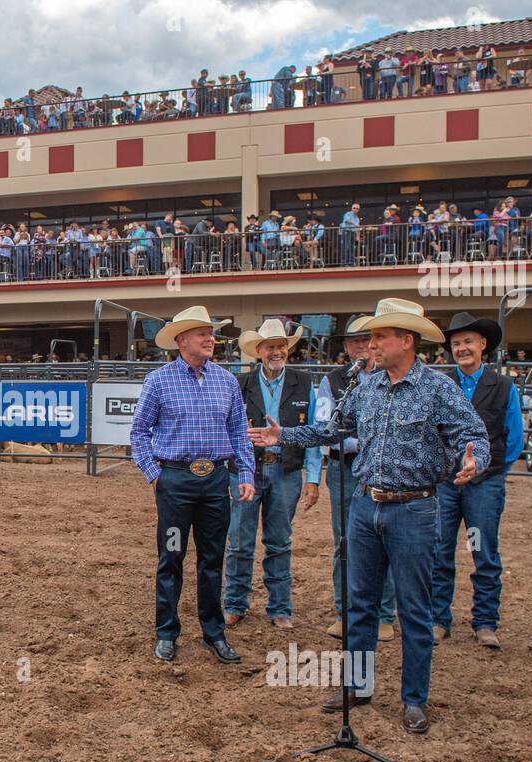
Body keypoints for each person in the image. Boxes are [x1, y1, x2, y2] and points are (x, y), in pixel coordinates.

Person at [249, 298, 488, 734]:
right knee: (359, 603)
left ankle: (413, 697)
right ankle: (357, 686)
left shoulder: (437, 389)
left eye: (379, 337)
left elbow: (472, 434)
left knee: (414, 608)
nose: (369, 345)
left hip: (414, 507)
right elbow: (331, 429)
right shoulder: (367, 387)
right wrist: (285, 434)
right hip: (366, 504)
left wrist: (474, 461)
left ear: (406, 341)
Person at [130, 306, 256, 665]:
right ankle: (167, 632)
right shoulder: (158, 381)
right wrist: (154, 473)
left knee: (213, 558)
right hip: (176, 482)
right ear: (181, 340)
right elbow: (139, 432)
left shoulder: (227, 381)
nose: (210, 338)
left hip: (215, 481)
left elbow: (238, 432)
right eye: (202, 333)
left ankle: (213, 632)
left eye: (211, 332)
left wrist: (245, 474)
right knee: (171, 556)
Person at [431, 312, 523, 649]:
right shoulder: (442, 384)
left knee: (481, 549)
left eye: (468, 341)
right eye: (456, 344)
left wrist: (490, 470)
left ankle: (485, 621)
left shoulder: (503, 386)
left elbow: (513, 439)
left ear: (483, 345)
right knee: (439, 550)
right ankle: (438, 618)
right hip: (446, 482)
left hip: (485, 483)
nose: (462, 348)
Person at [223, 319, 321, 629]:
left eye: (281, 346)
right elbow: (227, 427)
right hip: (246, 470)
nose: (277, 351)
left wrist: (313, 479)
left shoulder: (304, 383)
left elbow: (315, 434)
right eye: (270, 347)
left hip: (286, 468)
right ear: (259, 352)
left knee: (280, 541)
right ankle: (235, 602)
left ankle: (280, 607)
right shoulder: (240, 384)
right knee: (239, 541)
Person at [318, 317, 398, 641]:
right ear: (347, 347)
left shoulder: (391, 378)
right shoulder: (334, 381)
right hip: (345, 469)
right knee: (345, 542)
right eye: (355, 342)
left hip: (384, 470)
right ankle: (345, 611)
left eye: (368, 340)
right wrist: (362, 442)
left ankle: (384, 614)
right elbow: (326, 427)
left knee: (385, 539)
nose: (362, 346)